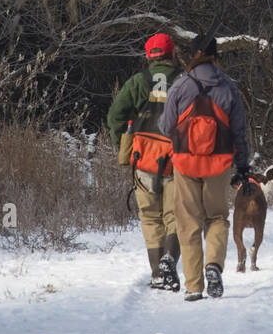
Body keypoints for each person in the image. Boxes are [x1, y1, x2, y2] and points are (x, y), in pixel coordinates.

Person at [160, 33, 250, 301]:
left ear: (194, 54)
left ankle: (194, 286)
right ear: (215, 55)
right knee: (217, 217)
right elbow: (239, 132)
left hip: (185, 163)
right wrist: (242, 166)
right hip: (219, 164)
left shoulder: (179, 86)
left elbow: (166, 127)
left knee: (188, 222)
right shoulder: (229, 88)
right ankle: (214, 264)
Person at [107, 32, 182, 290]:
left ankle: (157, 273)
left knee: (150, 218)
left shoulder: (138, 81)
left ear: (148, 57)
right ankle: (169, 264)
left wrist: (123, 145)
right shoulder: (184, 81)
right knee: (175, 217)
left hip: (144, 159)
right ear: (172, 54)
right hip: (176, 160)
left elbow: (115, 115)